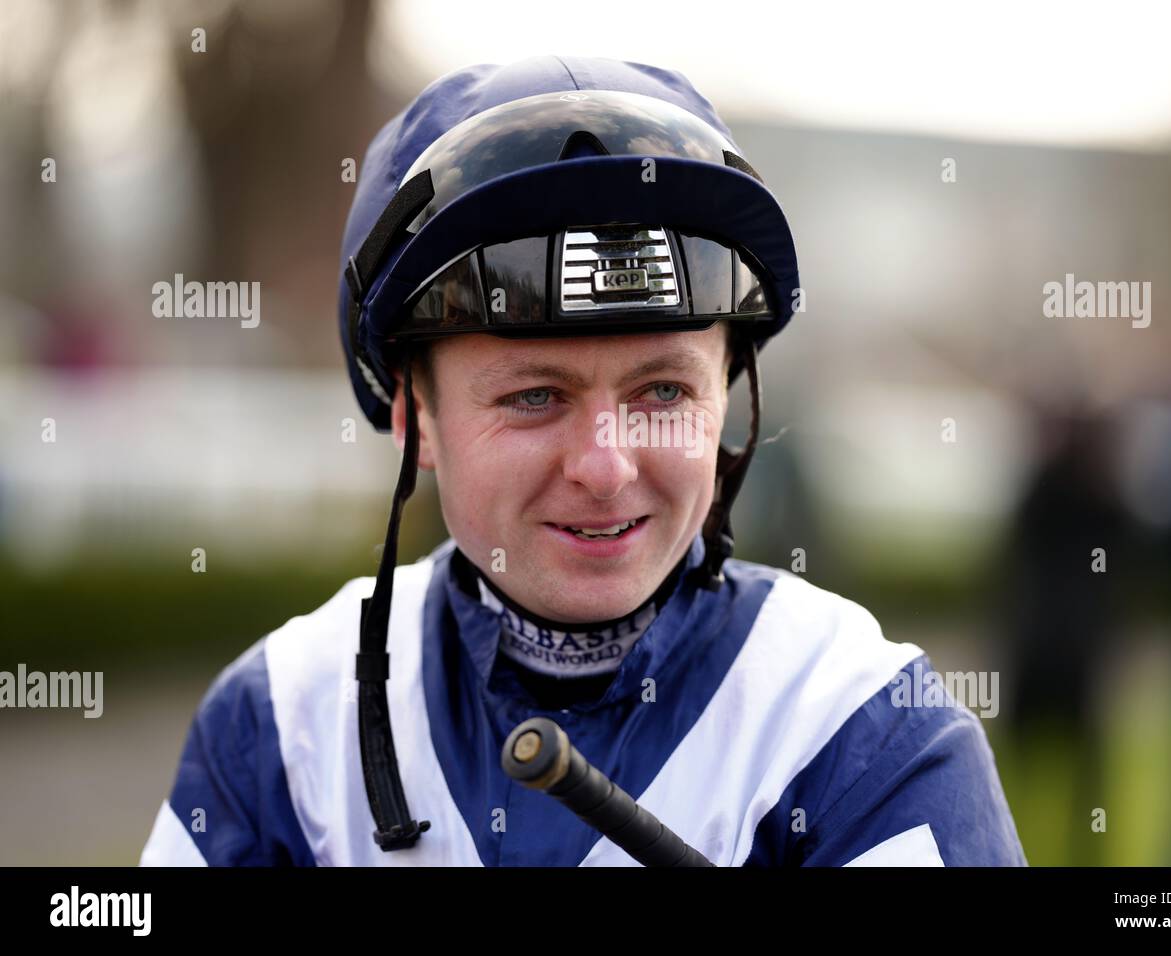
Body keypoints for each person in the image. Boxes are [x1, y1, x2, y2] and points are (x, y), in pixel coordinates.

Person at [140, 54, 1025, 867]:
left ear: (728, 393)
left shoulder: (866, 730)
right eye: (535, 397)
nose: (605, 468)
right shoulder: (277, 727)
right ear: (416, 415)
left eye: (664, 393)